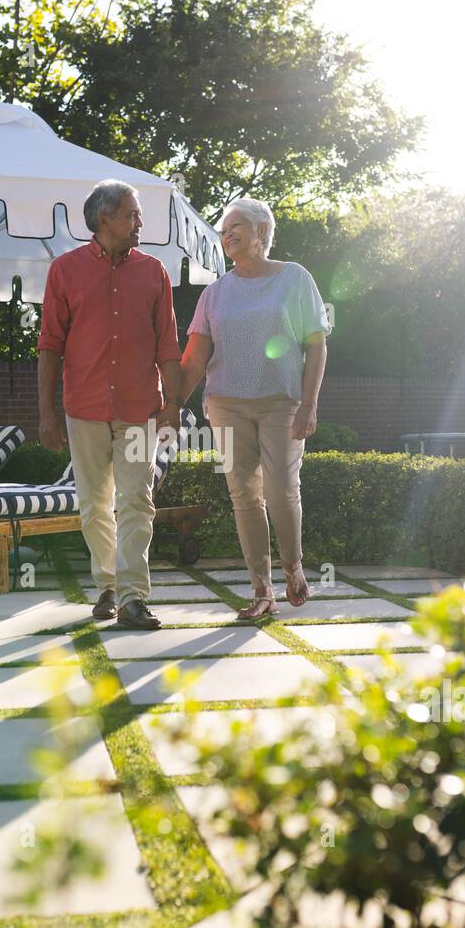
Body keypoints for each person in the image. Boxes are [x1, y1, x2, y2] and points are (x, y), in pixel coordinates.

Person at [37, 179, 183, 629]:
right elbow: (49, 344)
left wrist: (173, 404)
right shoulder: (64, 270)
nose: (140, 222)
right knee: (94, 504)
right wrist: (46, 411)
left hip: (141, 407)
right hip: (83, 406)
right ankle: (107, 586)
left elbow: (168, 345)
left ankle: (133, 596)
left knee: (137, 499)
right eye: (132, 214)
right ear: (104, 220)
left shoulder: (154, 271)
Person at [181, 196, 330, 621]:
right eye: (223, 228)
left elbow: (316, 343)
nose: (227, 234)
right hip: (226, 403)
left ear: (262, 232)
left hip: (281, 402)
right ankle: (262, 591)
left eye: (237, 226)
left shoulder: (295, 279)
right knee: (244, 495)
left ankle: (293, 566)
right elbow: (194, 359)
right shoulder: (214, 293)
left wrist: (309, 403)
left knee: (281, 490)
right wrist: (171, 404)